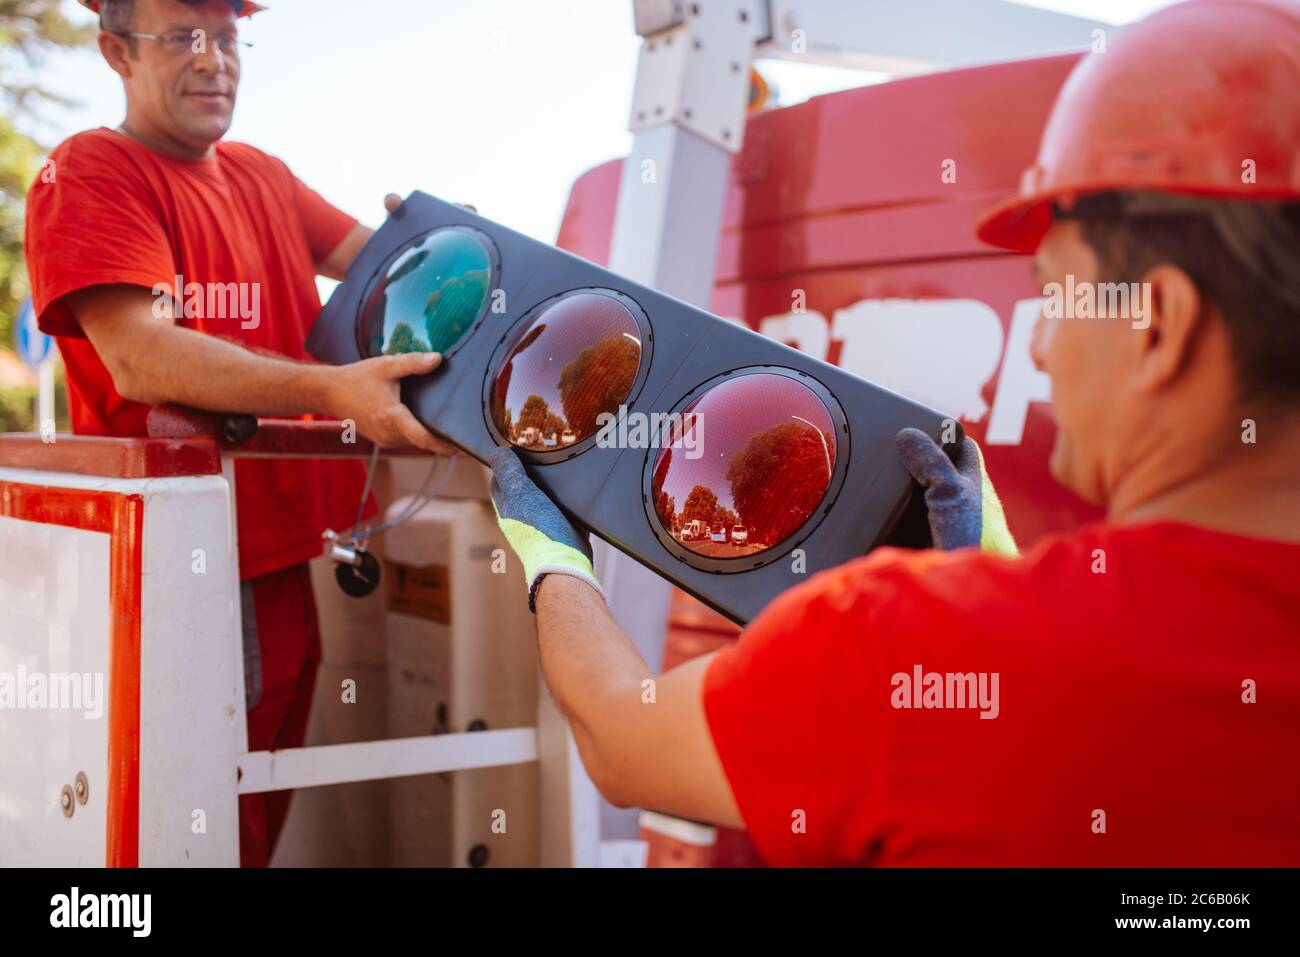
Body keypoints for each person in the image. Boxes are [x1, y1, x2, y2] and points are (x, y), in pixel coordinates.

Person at [485, 0, 1300, 865]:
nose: (1045, 343)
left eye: (1060, 295)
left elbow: (621, 737)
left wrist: (554, 560)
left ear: (1157, 325)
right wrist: (992, 580)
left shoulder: (893, 650)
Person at [24, 0, 450, 866]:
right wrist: (332, 387)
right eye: (182, 36)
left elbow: (387, 263)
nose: (213, 59)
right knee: (209, 804)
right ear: (114, 51)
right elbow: (141, 355)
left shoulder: (264, 176)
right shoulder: (90, 173)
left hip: (287, 551)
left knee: (258, 785)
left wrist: (445, 243)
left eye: (225, 36)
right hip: (189, 564)